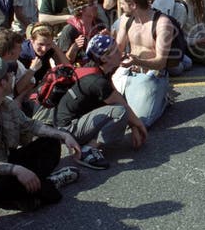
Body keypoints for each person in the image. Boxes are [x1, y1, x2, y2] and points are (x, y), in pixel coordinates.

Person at [0, 57, 83, 212]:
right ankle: (47, 186)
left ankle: (31, 191)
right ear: (2, 83)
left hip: (6, 160)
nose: (14, 77)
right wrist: (17, 170)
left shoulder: (5, 103)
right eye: (11, 75)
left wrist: (63, 135)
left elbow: (29, 125)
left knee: (50, 141)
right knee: (7, 188)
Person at [48, 35, 147, 168]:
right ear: (104, 58)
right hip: (69, 129)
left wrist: (134, 126)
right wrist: (140, 126)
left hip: (72, 121)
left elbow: (116, 95)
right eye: (115, 51)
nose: (121, 53)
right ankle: (87, 150)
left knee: (119, 109)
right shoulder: (97, 81)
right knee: (119, 112)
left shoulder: (98, 70)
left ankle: (87, 141)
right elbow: (121, 105)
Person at [115, 0, 172, 127]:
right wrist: (107, 43)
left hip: (152, 75)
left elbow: (161, 62)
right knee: (109, 110)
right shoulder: (125, 19)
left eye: (122, 4)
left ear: (133, 4)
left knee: (141, 122)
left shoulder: (162, 23)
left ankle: (163, 99)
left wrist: (138, 61)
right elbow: (118, 49)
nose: (121, 7)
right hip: (128, 71)